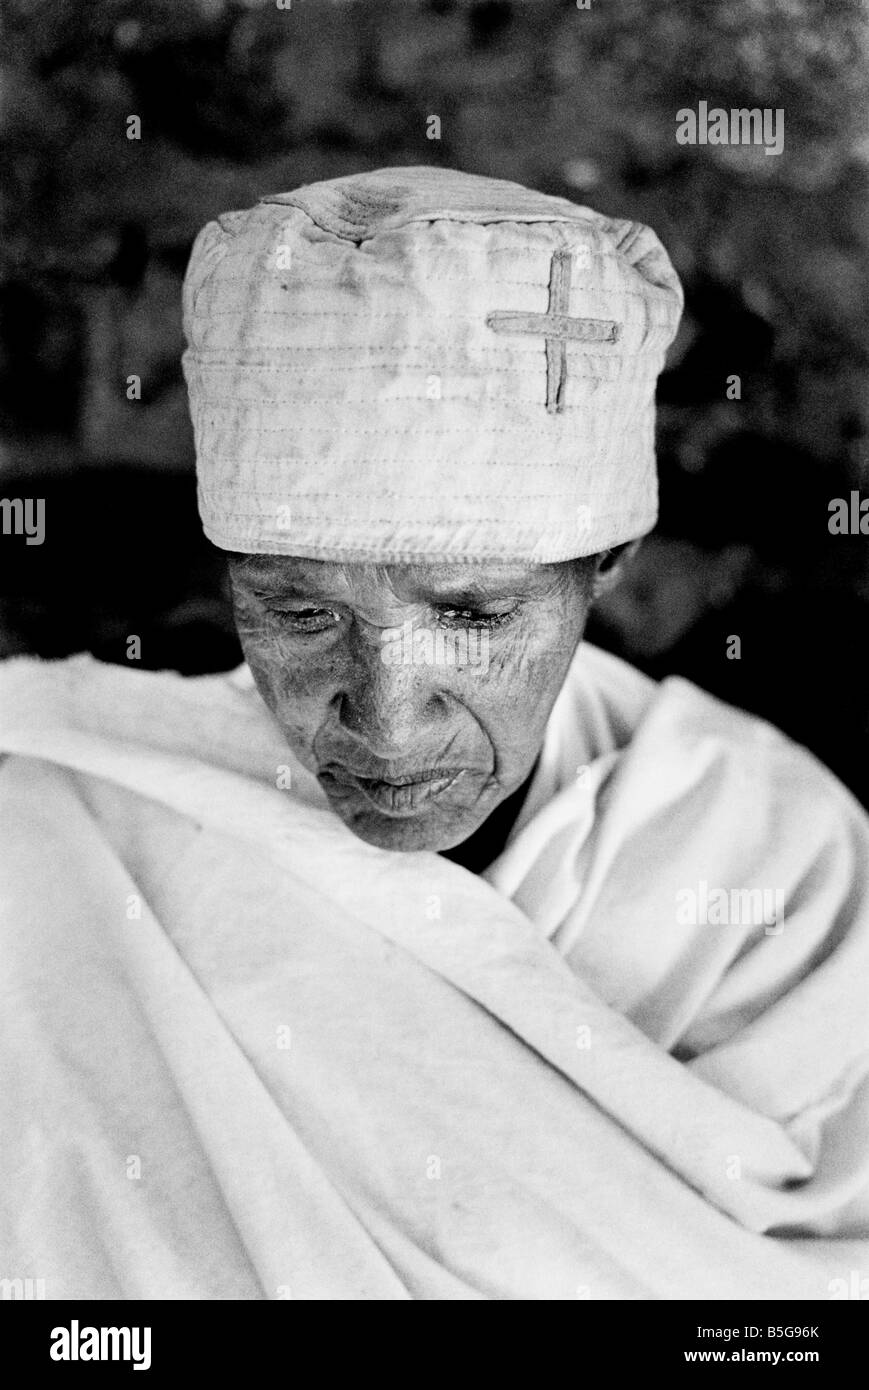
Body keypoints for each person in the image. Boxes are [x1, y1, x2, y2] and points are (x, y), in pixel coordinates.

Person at [1, 167, 867, 1301]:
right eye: (301, 614)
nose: (385, 715)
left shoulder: (782, 879)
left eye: (473, 615)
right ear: (228, 583)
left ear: (602, 567)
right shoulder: (58, 843)